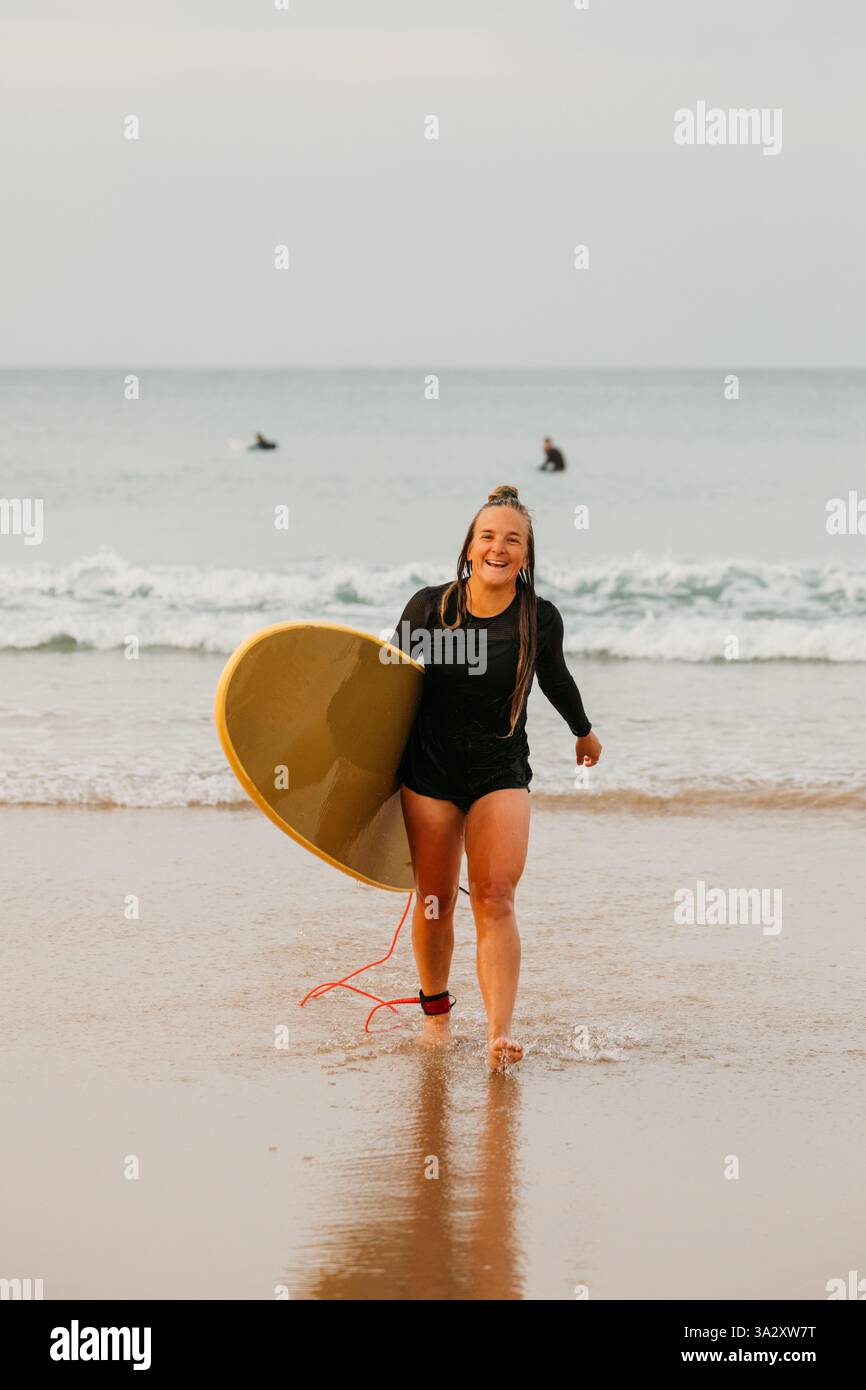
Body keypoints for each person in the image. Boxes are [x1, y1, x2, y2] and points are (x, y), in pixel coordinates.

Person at [390, 484, 602, 1070]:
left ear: (527, 556)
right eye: (488, 536)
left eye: (513, 540)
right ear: (468, 547)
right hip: (429, 771)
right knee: (434, 901)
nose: (499, 547)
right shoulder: (427, 608)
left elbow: (554, 678)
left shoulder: (538, 618)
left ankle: (498, 1034)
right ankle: (436, 1018)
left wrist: (582, 730)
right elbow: (386, 690)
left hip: (499, 771)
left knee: (495, 895)